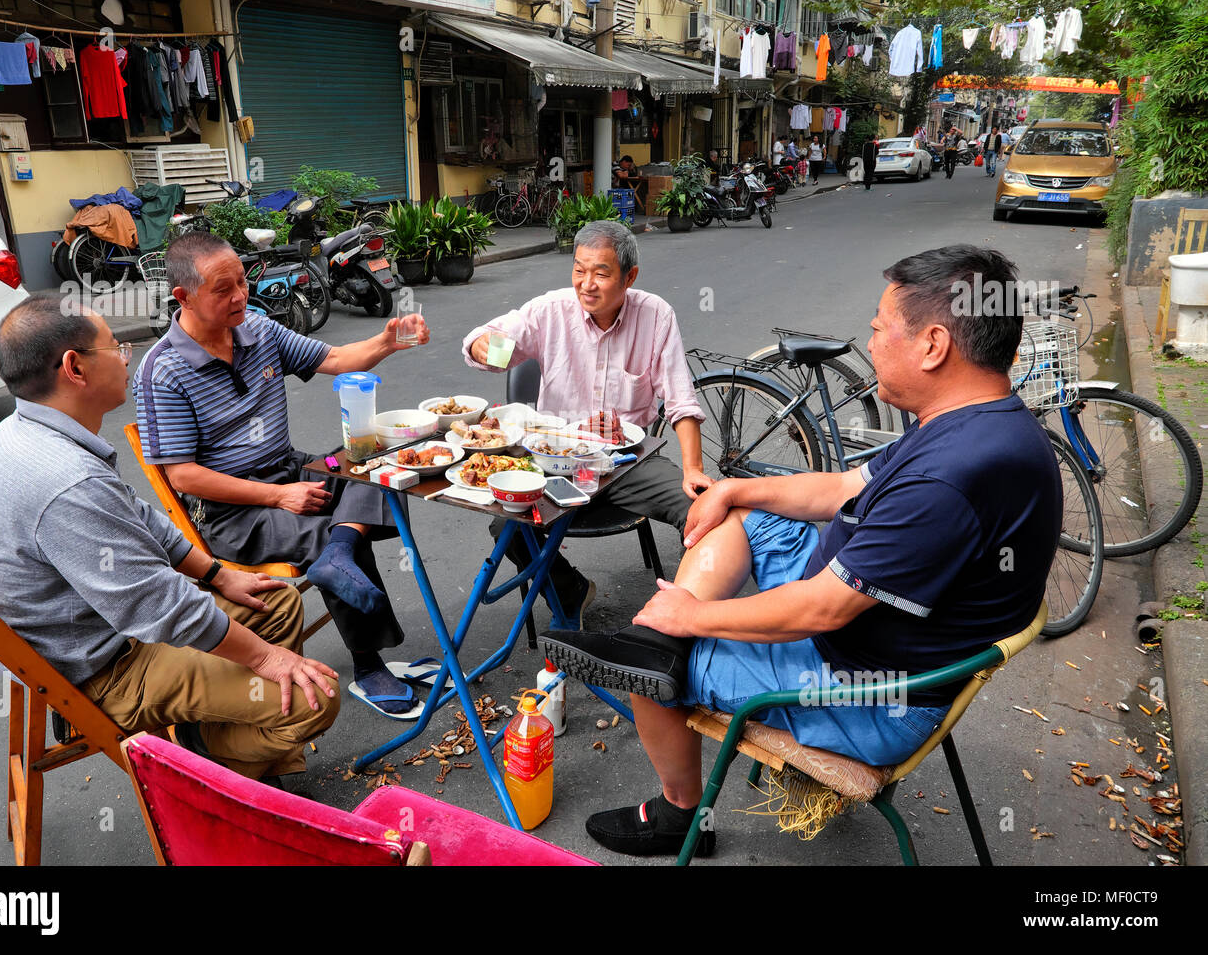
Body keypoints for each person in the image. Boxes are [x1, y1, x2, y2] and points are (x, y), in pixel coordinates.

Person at [541, 245, 1063, 857]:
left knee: (649, 672)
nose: (870, 342)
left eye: (878, 327)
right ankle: (663, 639)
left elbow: (823, 610)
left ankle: (677, 809)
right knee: (737, 514)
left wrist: (694, 617)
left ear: (934, 345)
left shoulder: (952, 474)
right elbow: (844, 487)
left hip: (868, 689)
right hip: (866, 620)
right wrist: (735, 486)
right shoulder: (967, 420)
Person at [0, 293, 341, 781]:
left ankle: (245, 755)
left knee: (278, 604)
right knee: (315, 701)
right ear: (74, 368)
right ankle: (200, 749)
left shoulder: (27, 427)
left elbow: (135, 513)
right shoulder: (66, 479)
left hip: (96, 625)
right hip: (100, 665)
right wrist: (266, 657)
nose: (126, 357)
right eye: (115, 347)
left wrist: (217, 574)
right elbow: (155, 605)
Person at [132, 232, 429, 719]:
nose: (239, 297)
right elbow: (183, 476)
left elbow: (332, 359)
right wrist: (277, 497)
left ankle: (337, 551)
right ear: (182, 296)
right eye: (223, 289)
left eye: (242, 282)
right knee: (321, 532)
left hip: (291, 470)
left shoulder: (258, 329)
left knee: (371, 460)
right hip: (234, 512)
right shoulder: (161, 372)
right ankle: (369, 665)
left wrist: (387, 341)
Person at [461, 219, 708, 626]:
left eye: (601, 273)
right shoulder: (550, 311)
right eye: (579, 269)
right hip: (558, 459)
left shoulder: (656, 316)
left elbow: (681, 401)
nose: (586, 284)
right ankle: (570, 592)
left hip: (630, 461)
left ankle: (687, 613)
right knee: (504, 523)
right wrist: (483, 344)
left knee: (702, 510)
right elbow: (490, 339)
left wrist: (694, 469)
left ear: (629, 277)